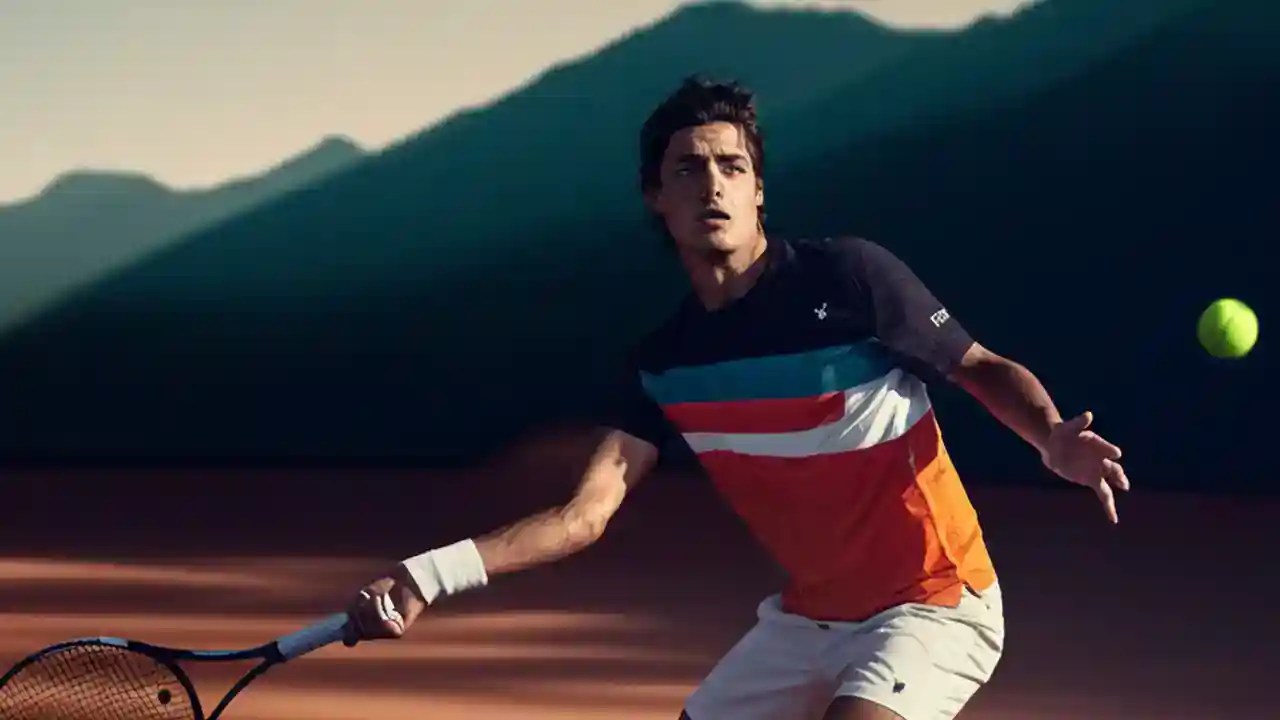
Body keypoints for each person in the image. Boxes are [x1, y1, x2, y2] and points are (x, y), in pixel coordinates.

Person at [343, 76, 1131, 720]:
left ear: (759, 189)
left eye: (732, 166)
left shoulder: (850, 278)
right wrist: (423, 577)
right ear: (656, 195)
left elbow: (980, 366)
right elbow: (581, 518)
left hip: (932, 601)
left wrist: (1051, 435)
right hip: (807, 620)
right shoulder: (664, 365)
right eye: (688, 168)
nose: (712, 185)